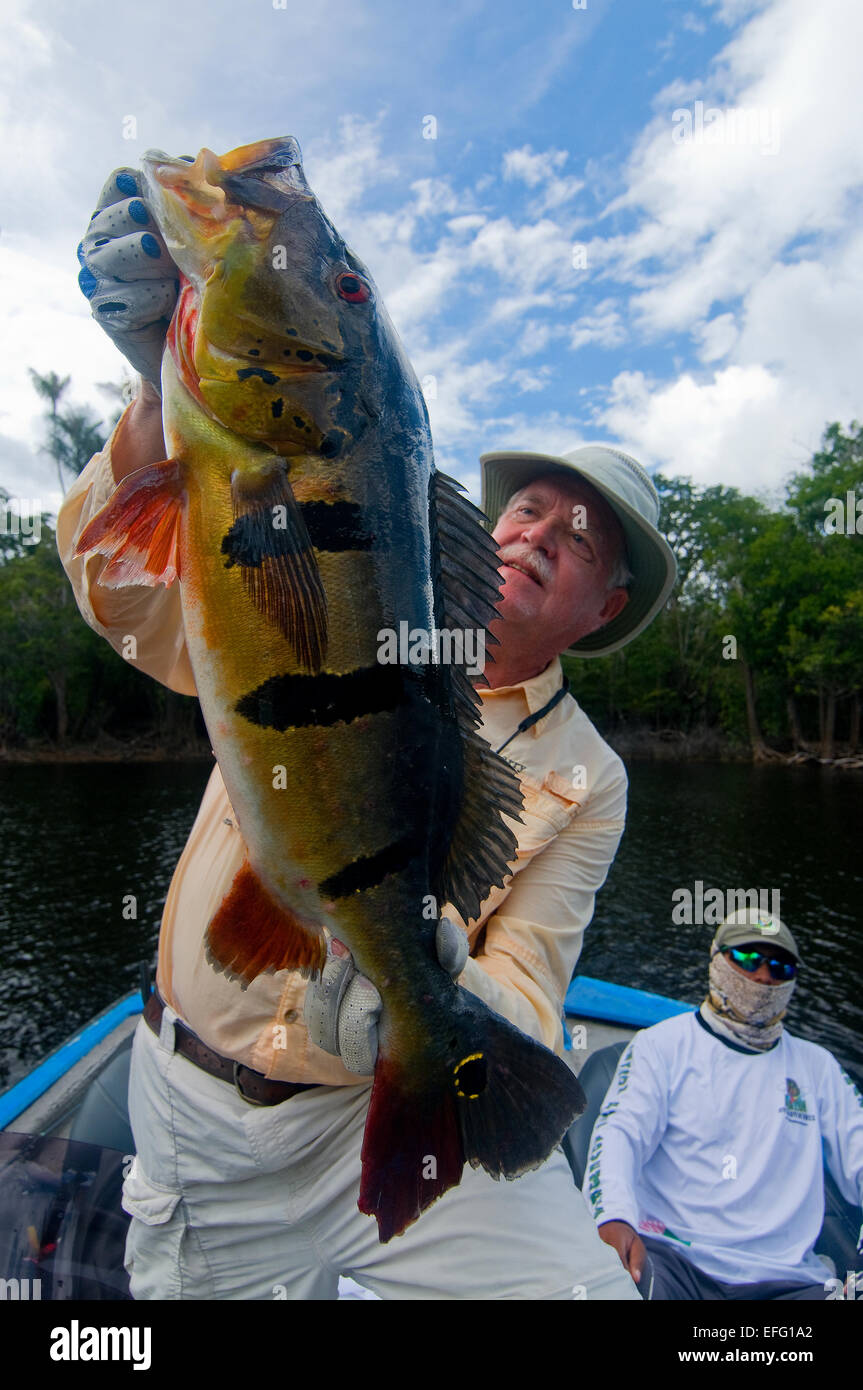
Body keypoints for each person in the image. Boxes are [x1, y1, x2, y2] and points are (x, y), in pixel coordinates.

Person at [59, 163, 676, 1301]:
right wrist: (156, 394)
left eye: (582, 538)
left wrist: (428, 993)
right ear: (484, 525)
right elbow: (122, 594)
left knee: (584, 1294)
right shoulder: (336, 570)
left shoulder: (588, 774)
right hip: (206, 1109)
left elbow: (531, 990)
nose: (543, 531)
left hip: (380, 1107)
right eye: (530, 506)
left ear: (601, 611)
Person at [587, 909, 863, 1300]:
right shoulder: (660, 1045)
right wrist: (613, 1215)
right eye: (748, 959)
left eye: (781, 967)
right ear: (717, 958)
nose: (764, 977)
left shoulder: (818, 1067)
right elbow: (621, 1132)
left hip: (790, 1280)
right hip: (673, 1259)